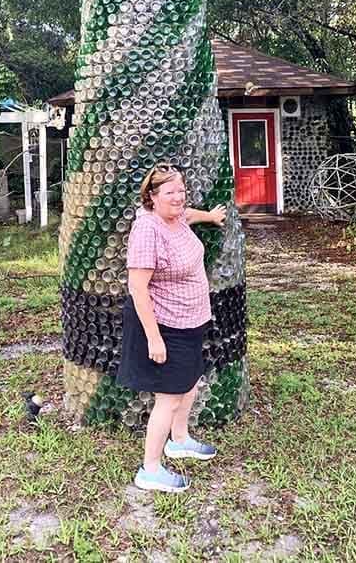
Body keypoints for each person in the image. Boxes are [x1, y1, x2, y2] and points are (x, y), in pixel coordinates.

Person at [117, 164, 226, 493]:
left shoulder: (175, 216)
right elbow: (137, 287)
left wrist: (209, 216)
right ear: (152, 197)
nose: (178, 197)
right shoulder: (147, 230)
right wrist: (154, 338)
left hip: (192, 319)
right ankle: (149, 469)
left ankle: (178, 441)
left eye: (181, 190)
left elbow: (187, 214)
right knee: (169, 397)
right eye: (170, 193)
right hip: (166, 325)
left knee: (190, 384)